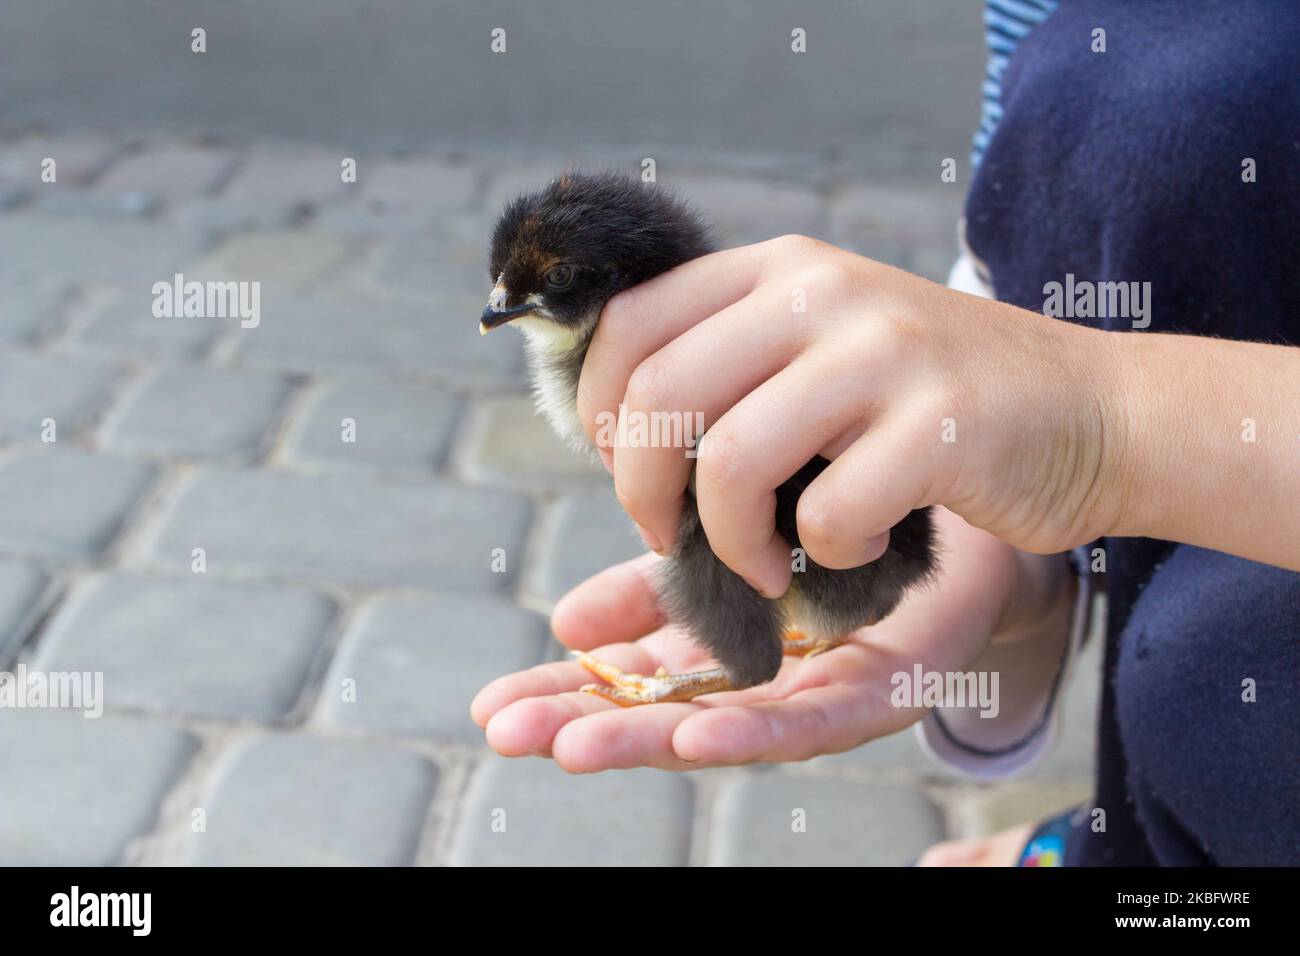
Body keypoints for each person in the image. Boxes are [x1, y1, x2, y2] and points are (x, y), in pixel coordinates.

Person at [472, 0, 1300, 865]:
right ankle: (1142, 839)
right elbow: (1015, 275)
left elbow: (1066, 402)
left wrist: (1105, 427)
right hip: (1168, 772)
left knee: (1216, 661)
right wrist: (1003, 541)